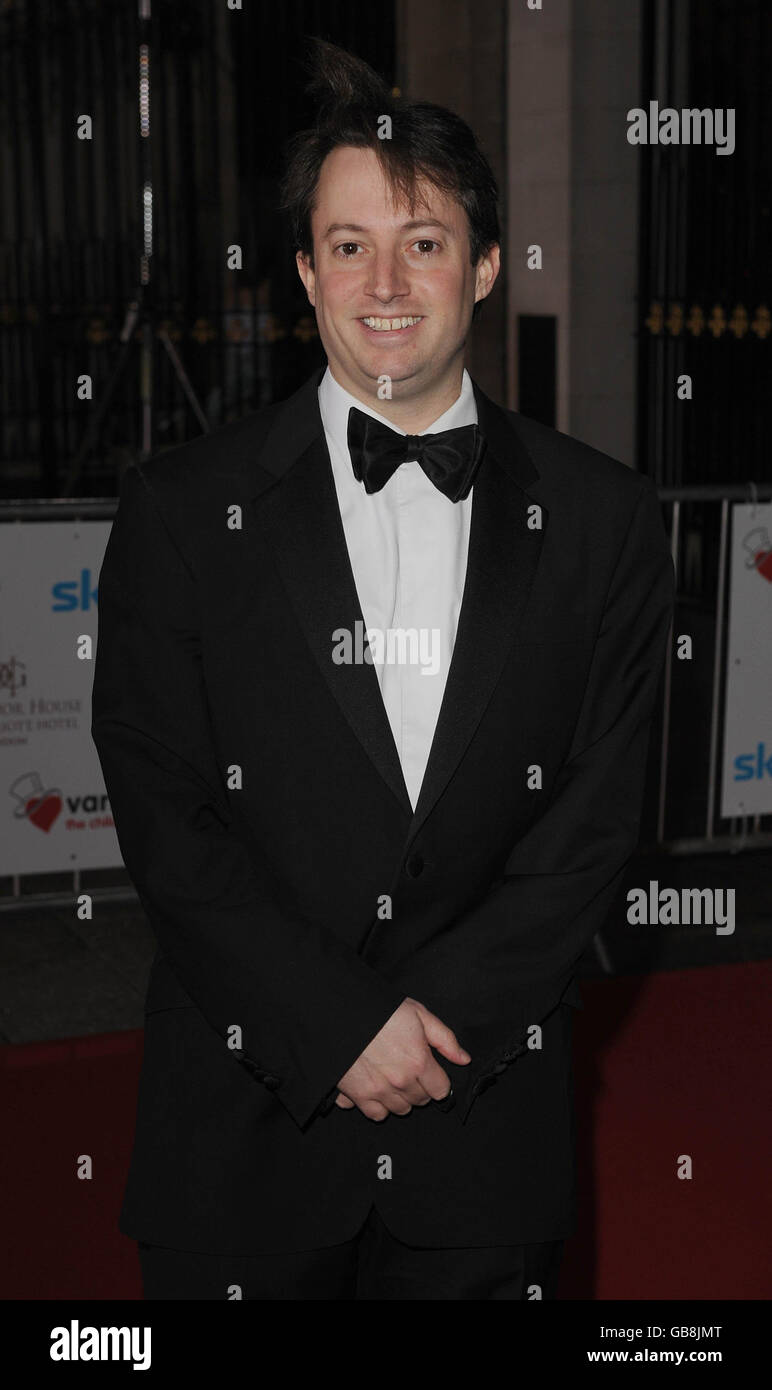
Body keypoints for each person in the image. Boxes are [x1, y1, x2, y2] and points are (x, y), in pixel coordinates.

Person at [91, 40, 674, 1300]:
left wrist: (430, 1030)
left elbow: (598, 819)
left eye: (422, 239)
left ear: (480, 264)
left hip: (484, 1130)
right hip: (240, 1134)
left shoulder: (606, 519)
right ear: (304, 272)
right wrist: (334, 1027)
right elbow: (164, 808)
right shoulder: (183, 511)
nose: (386, 280)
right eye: (347, 244)